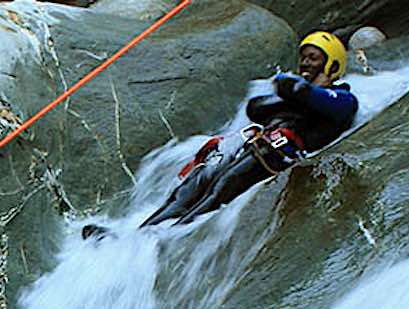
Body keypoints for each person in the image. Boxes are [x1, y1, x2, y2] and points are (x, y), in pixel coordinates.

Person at [125, 31, 359, 232]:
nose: (305, 63)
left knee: (220, 188)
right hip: (255, 147)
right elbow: (255, 108)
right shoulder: (293, 98)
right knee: (186, 191)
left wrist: (299, 93)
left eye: (313, 58)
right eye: (303, 57)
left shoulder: (344, 99)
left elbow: (301, 92)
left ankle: (164, 239)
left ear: (332, 65)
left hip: (277, 154)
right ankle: (136, 237)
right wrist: (295, 95)